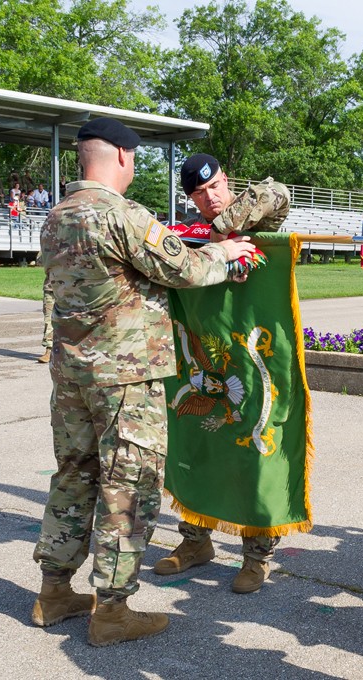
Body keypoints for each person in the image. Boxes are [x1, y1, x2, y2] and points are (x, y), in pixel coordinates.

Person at [31, 118, 258, 647]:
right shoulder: (121, 215)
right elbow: (181, 268)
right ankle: (112, 611)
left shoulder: (55, 216)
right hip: (125, 376)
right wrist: (225, 254)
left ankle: (53, 591)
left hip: (72, 376)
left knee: (73, 476)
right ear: (123, 158)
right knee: (127, 486)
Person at [151, 153, 292, 595]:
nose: (209, 199)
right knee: (196, 442)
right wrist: (210, 242)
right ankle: (195, 542)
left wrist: (220, 230)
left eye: (215, 188)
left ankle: (258, 556)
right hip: (202, 360)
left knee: (255, 446)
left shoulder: (257, 220)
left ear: (227, 182)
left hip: (253, 361)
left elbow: (276, 194)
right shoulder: (183, 238)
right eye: (198, 194)